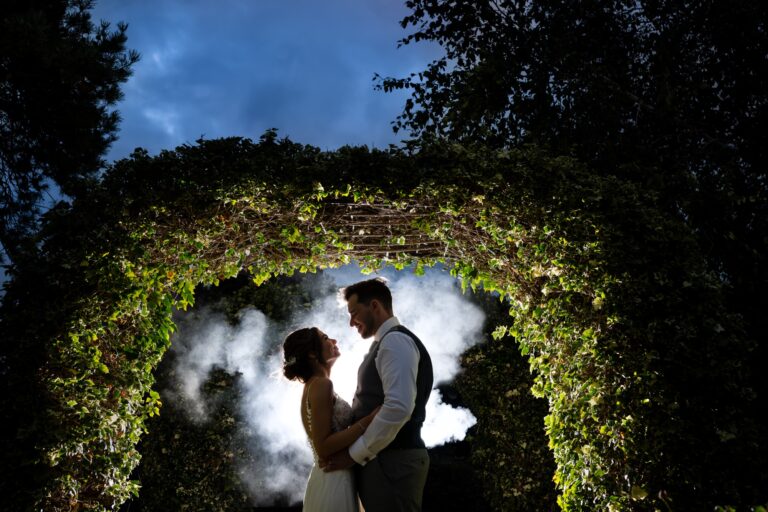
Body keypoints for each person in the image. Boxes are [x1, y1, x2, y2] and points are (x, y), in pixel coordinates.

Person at [323, 278, 434, 512]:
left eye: (354, 313)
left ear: (374, 305)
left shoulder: (395, 341)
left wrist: (354, 454)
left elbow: (398, 407)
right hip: (387, 461)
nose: (351, 322)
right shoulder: (387, 341)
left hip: (392, 462)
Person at [283, 327, 379, 512]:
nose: (334, 340)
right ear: (312, 353)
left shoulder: (315, 385)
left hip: (330, 477)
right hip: (334, 480)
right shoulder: (322, 385)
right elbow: (323, 447)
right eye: (326, 338)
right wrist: (368, 421)